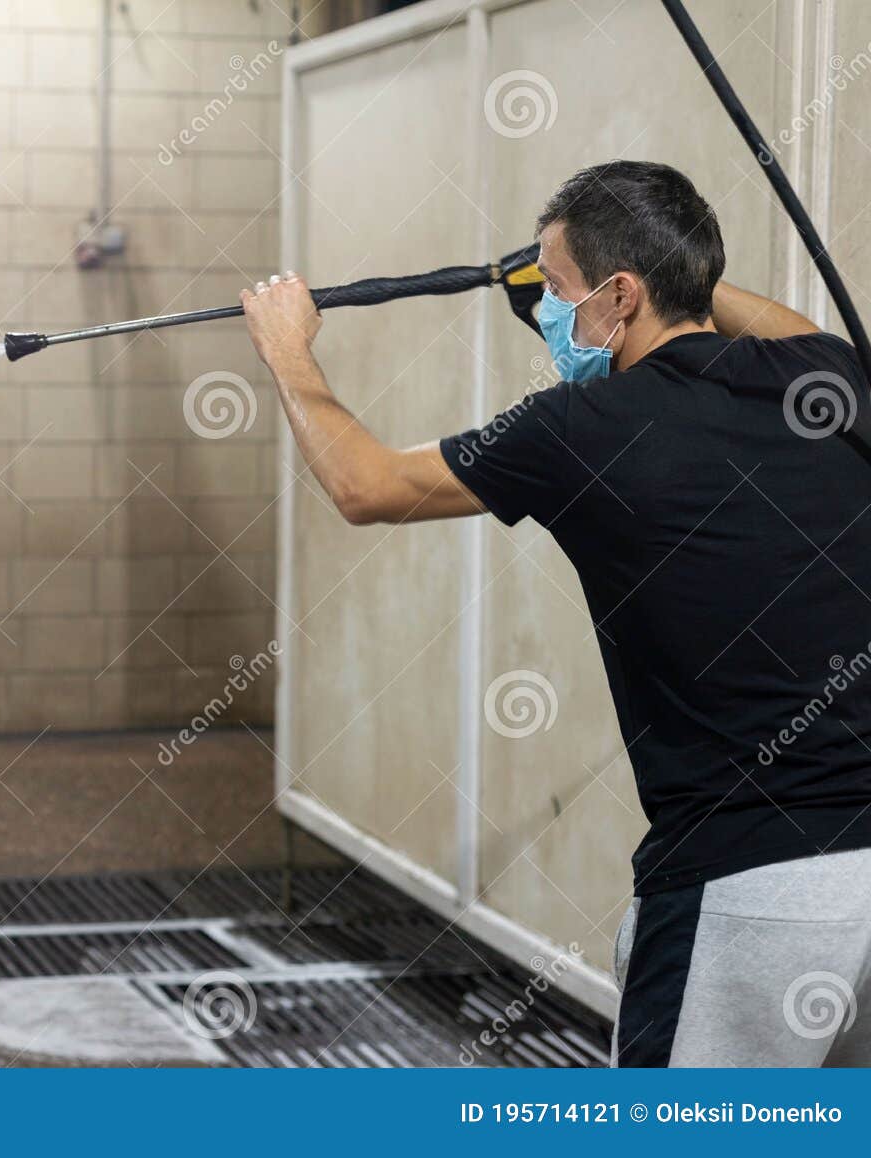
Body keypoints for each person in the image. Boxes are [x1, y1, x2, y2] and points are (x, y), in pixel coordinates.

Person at [241, 159, 871, 1067]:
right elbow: (793, 327)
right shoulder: (826, 382)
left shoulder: (576, 428)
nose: (546, 310)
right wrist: (668, 271)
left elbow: (365, 485)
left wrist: (287, 348)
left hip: (748, 889)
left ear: (621, 296)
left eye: (557, 290)